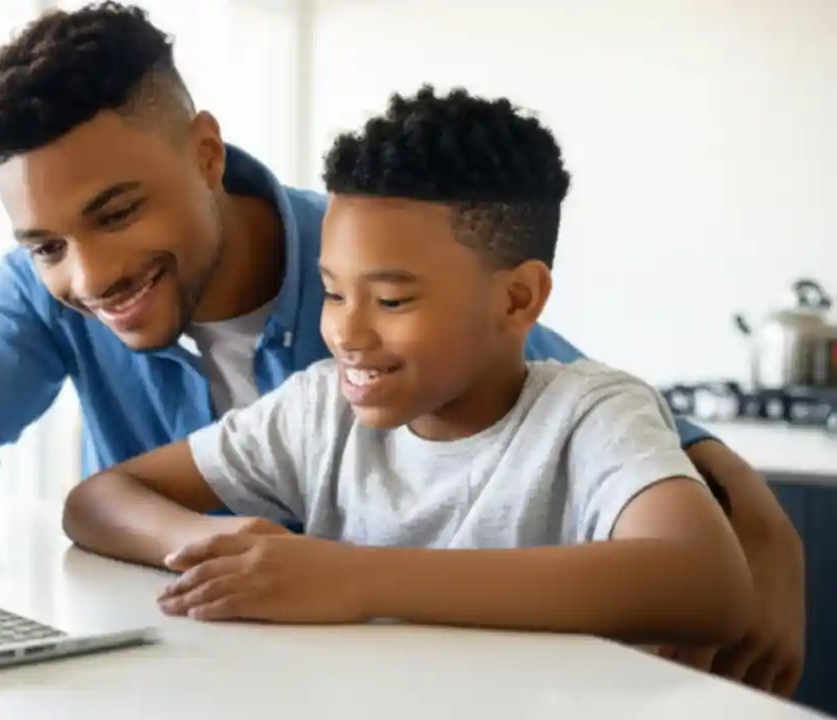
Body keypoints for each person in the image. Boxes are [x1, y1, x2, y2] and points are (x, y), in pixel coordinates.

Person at [0, 1, 803, 694]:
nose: (87, 274)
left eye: (115, 213)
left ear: (201, 154)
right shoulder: (306, 387)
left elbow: (588, 403)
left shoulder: (379, 245)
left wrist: (766, 532)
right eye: (47, 244)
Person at [63, 85, 755, 647]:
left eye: (392, 299)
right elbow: (96, 500)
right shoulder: (319, 412)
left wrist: (359, 579)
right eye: (333, 291)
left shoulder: (591, 416)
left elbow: (709, 584)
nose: (346, 332)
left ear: (518, 299)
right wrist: (209, 536)